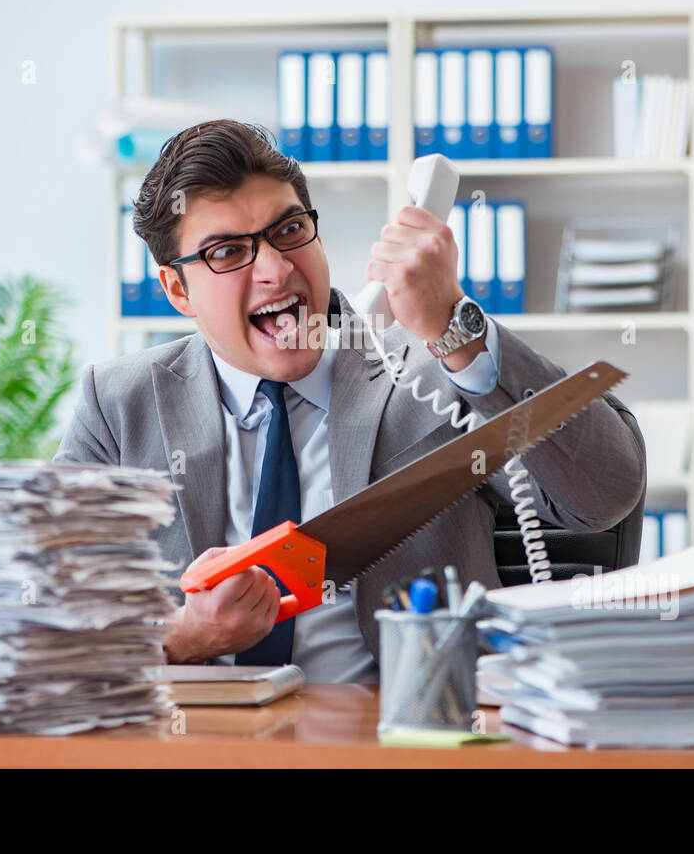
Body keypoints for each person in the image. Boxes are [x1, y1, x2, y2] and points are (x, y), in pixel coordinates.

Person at [55, 120, 645, 683]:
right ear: (177, 289)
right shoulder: (117, 405)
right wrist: (184, 637)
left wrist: (454, 325)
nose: (276, 268)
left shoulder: (432, 370)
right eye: (228, 252)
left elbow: (604, 493)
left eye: (289, 231)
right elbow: (45, 623)